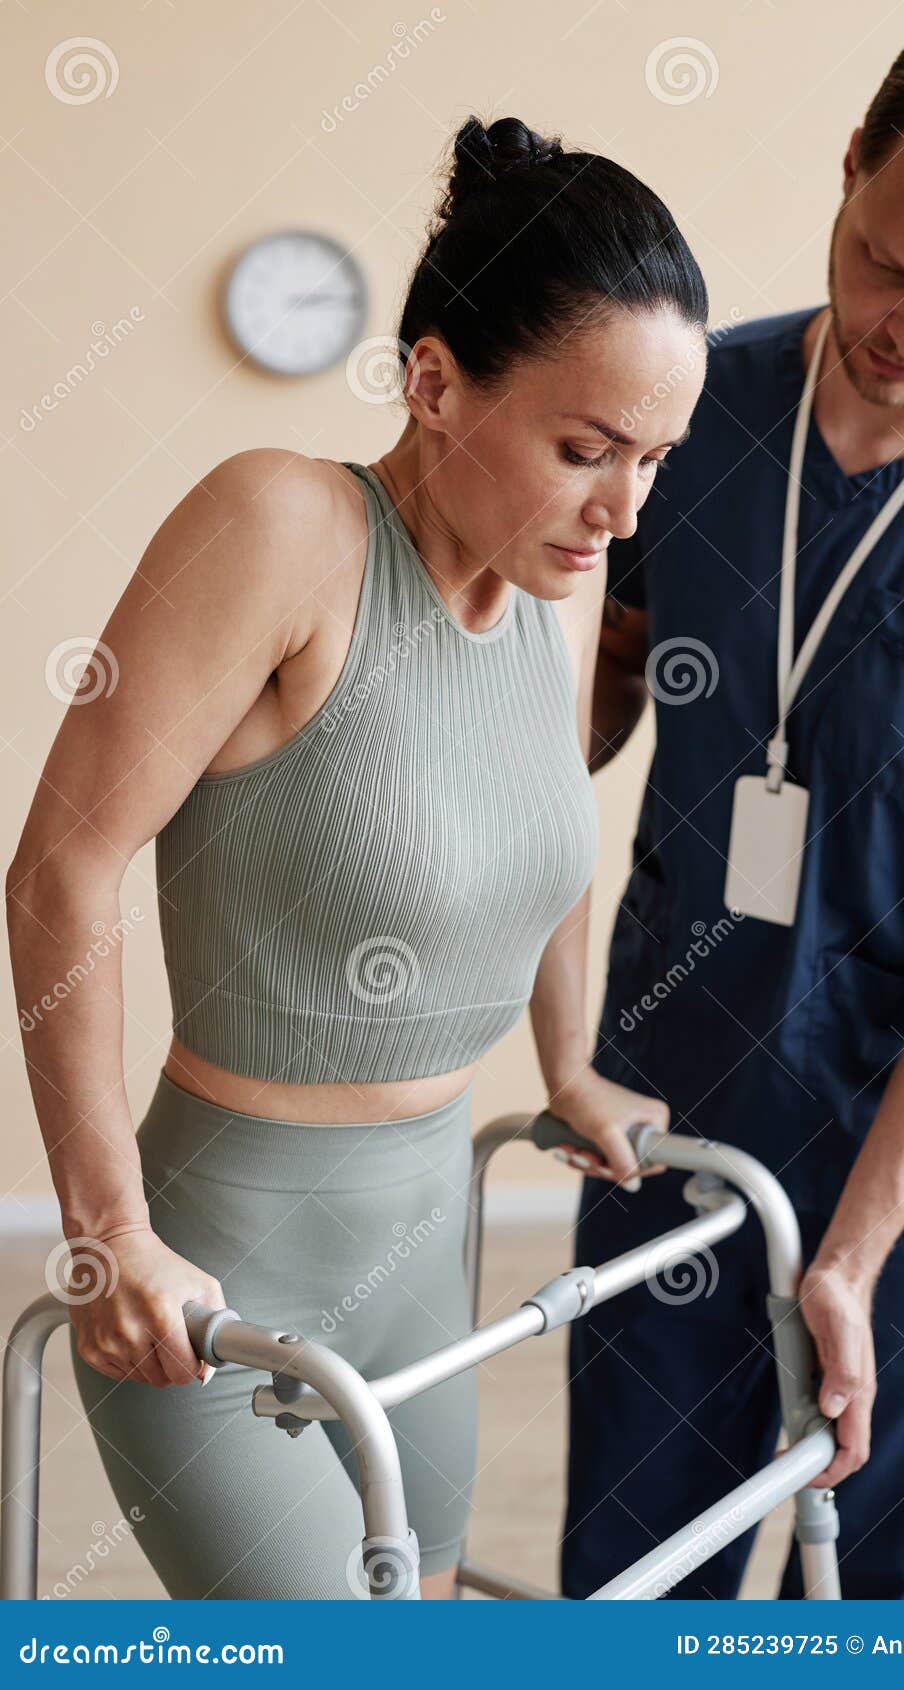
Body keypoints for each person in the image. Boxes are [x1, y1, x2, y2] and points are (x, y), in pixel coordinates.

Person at [5, 114, 706, 1600]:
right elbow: (61, 868)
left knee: (426, 1621)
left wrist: (567, 1062)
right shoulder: (282, 527)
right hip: (221, 1258)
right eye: (583, 450)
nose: (622, 511)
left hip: (424, 1243)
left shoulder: (552, 580)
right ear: (435, 382)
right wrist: (106, 1228)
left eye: (653, 459)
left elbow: (551, 835)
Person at [561, 4, 904, 1600]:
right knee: (634, 1570)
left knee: (870, 1593)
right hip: (680, 1085)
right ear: (847, 172)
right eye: (884, 261)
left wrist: (850, 1251)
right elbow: (591, 691)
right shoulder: (691, 407)